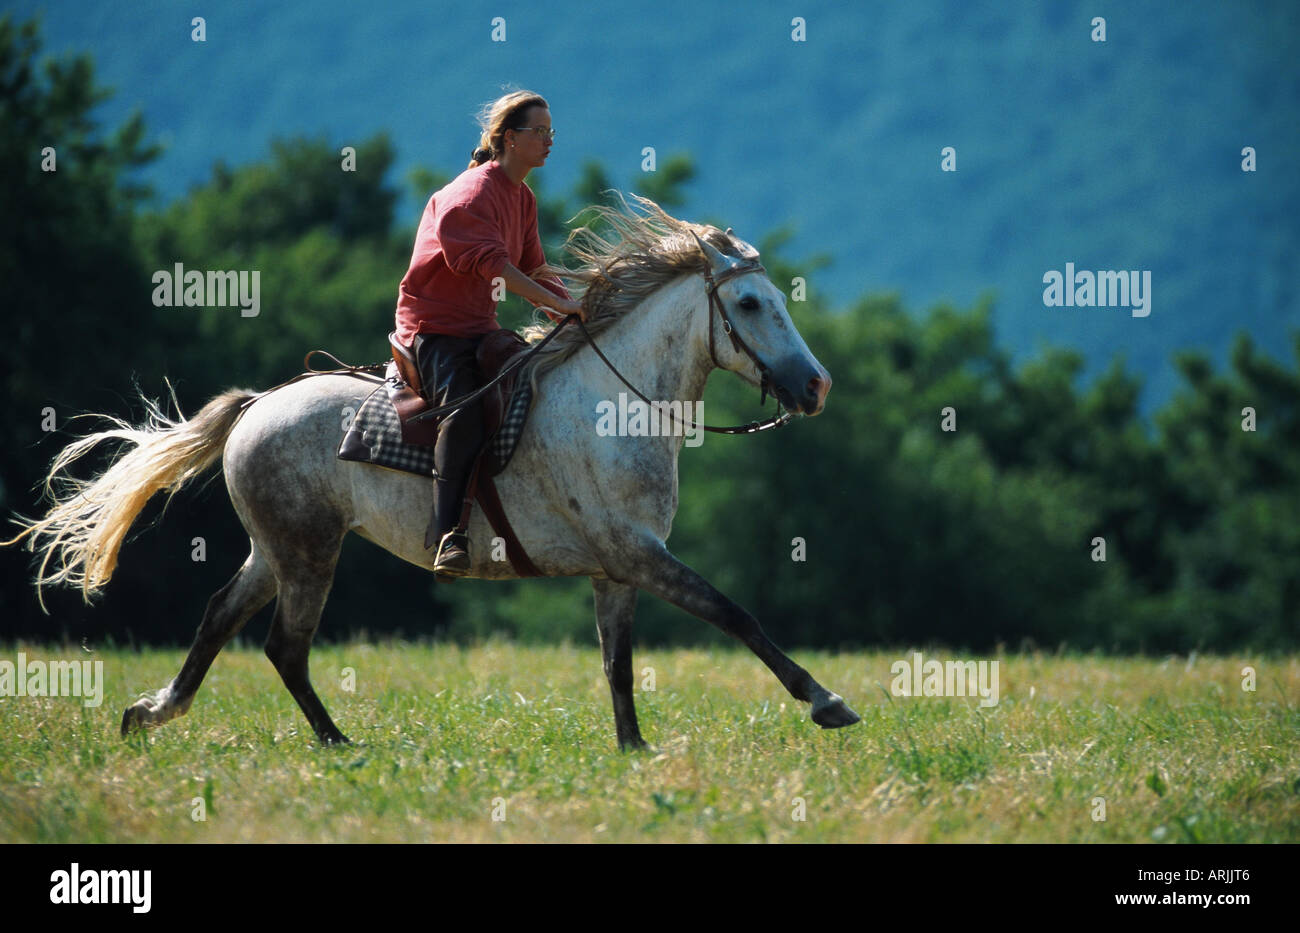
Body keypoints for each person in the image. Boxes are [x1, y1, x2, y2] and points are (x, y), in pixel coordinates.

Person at [393, 90, 584, 577]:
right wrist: (554, 303)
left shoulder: (522, 196)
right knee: (465, 411)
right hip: (433, 329)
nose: (548, 142)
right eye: (538, 132)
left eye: (551, 133)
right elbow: (492, 267)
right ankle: (447, 535)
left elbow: (533, 266)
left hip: (480, 328)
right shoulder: (470, 194)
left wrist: (576, 304)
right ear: (508, 139)